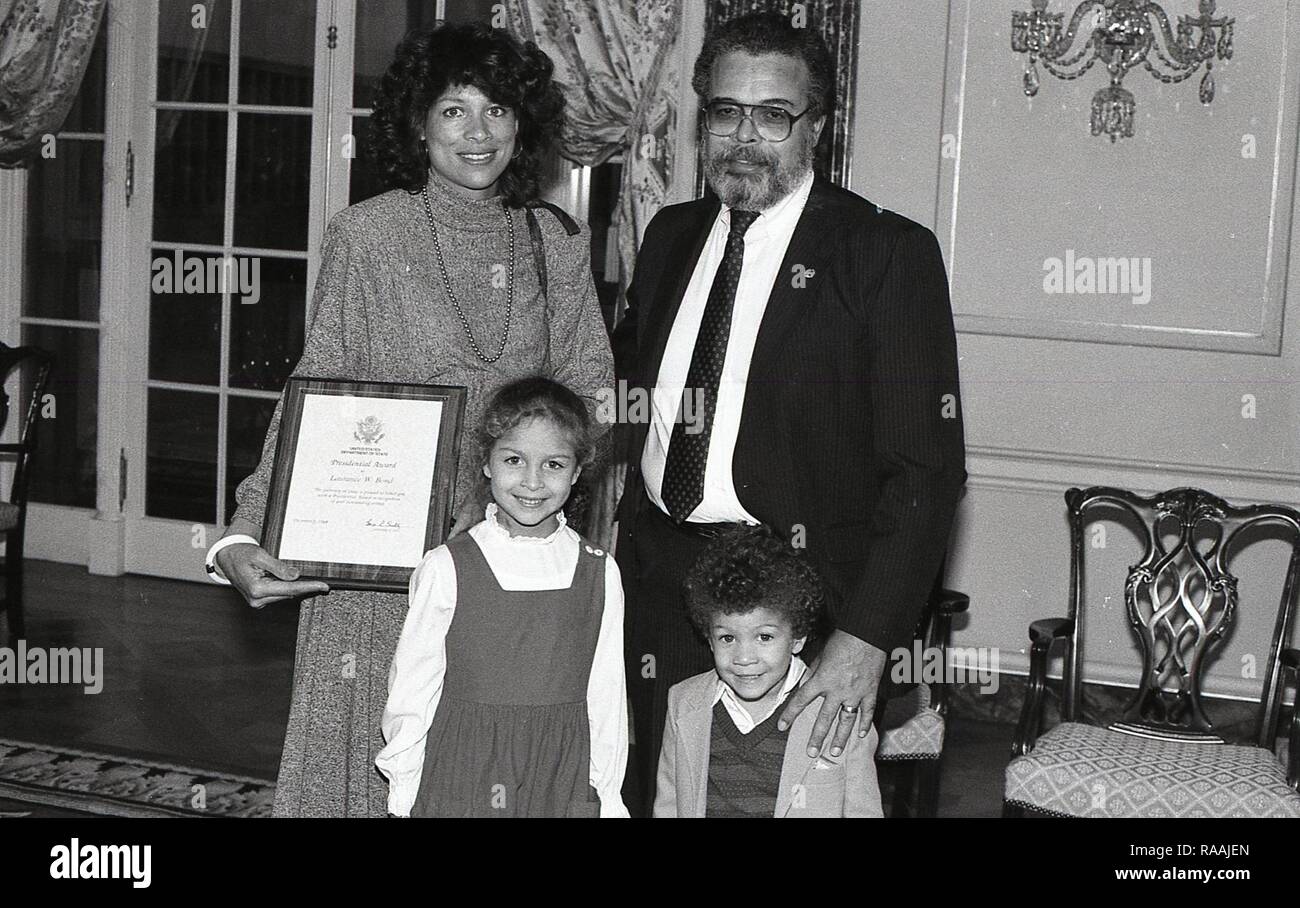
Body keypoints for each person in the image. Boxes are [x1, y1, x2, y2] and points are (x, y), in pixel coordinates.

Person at [202, 24, 613, 817]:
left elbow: (590, 395)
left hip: (501, 568)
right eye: (453, 111)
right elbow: (310, 396)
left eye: (496, 110)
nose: (478, 133)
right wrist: (239, 538)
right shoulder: (366, 236)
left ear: (521, 122)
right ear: (417, 124)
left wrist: (531, 492)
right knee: (360, 776)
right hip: (372, 576)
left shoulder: (555, 243)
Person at [616, 12, 966, 814]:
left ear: (816, 127)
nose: (746, 136)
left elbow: (927, 472)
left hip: (805, 605)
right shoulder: (669, 237)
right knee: (663, 797)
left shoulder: (884, 255)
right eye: (725, 111)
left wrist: (868, 641)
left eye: (774, 114)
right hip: (664, 594)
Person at [377, 376, 627, 817]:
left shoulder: (599, 571)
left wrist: (606, 795)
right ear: (487, 462)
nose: (532, 482)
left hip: (558, 774)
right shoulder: (445, 566)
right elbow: (413, 689)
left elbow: (606, 694)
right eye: (514, 459)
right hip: (462, 769)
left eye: (553, 464)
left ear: (577, 470)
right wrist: (404, 787)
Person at [654, 525, 880, 818]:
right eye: (727, 638)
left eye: (764, 637)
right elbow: (669, 805)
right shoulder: (684, 703)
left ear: (798, 637)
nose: (744, 658)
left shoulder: (840, 710)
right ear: (709, 639)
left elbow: (864, 812)